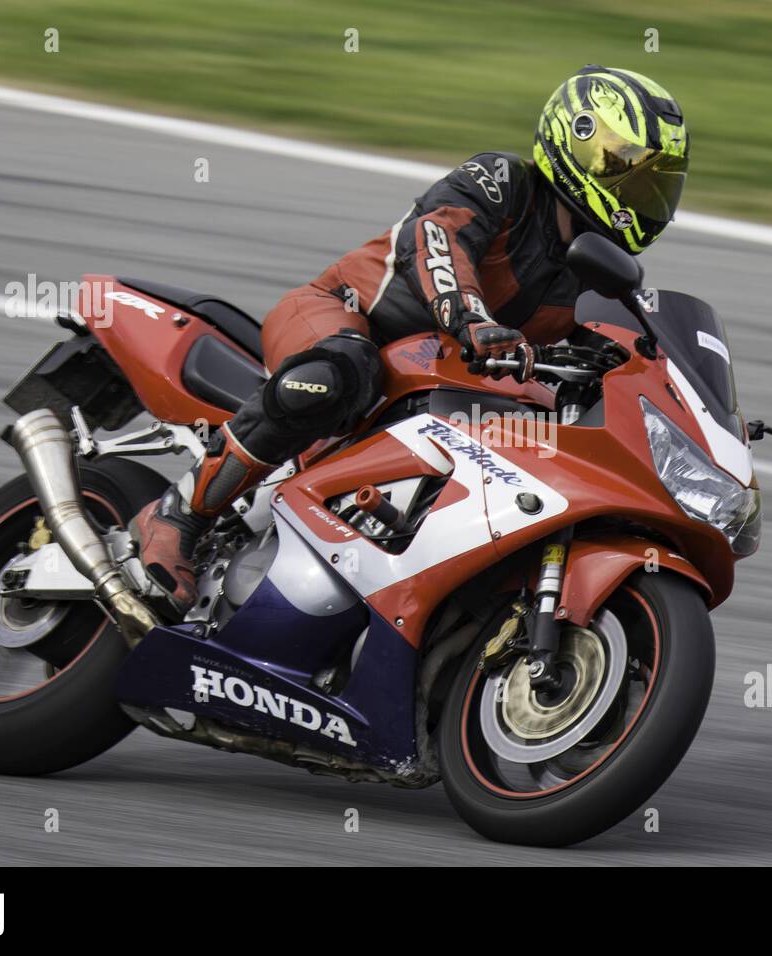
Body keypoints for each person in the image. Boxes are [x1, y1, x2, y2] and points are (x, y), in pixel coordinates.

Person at [130, 65, 690, 611]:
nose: (643, 194)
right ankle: (179, 515)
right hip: (344, 320)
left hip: (434, 385)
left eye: (655, 183)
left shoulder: (596, 275)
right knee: (337, 377)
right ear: (579, 141)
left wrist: (709, 420)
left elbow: (632, 356)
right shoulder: (502, 182)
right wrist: (471, 318)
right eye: (629, 171)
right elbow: (435, 240)